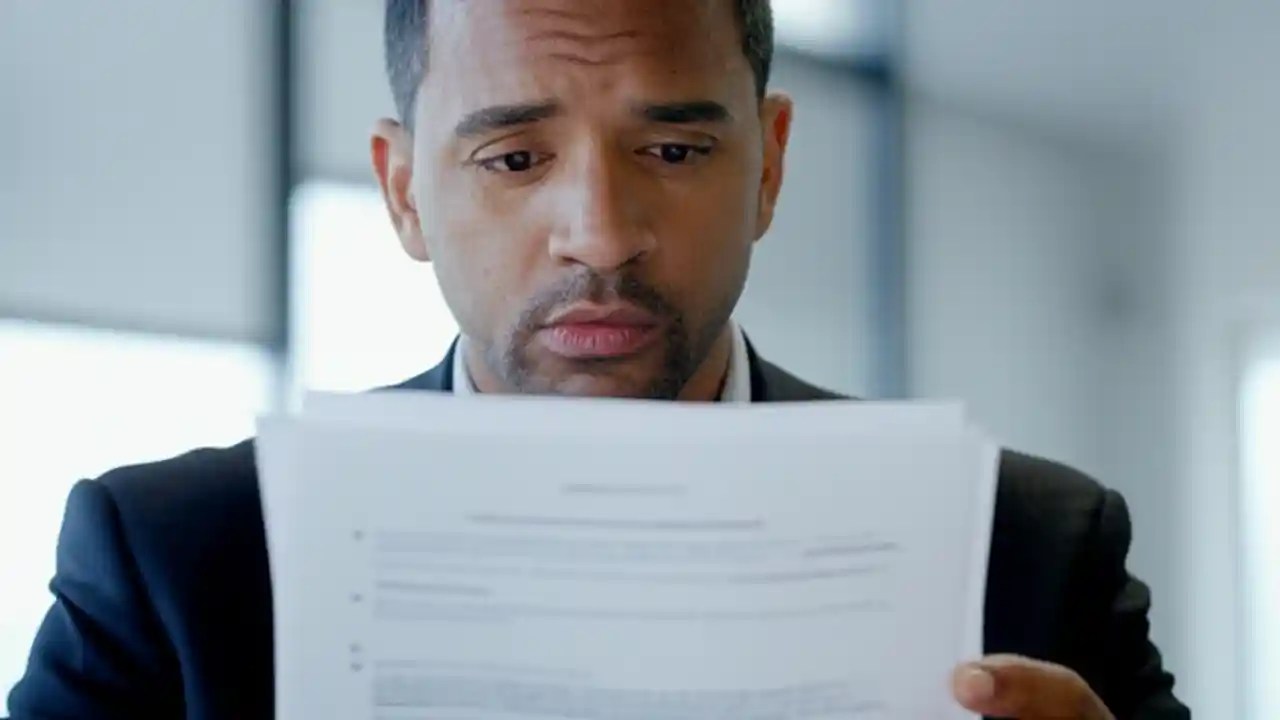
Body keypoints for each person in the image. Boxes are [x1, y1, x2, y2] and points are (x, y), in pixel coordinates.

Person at [7, 1, 1189, 718]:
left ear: (768, 168)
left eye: (673, 148)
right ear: (402, 189)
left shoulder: (1029, 551)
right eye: (513, 159)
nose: (602, 233)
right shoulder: (172, 561)